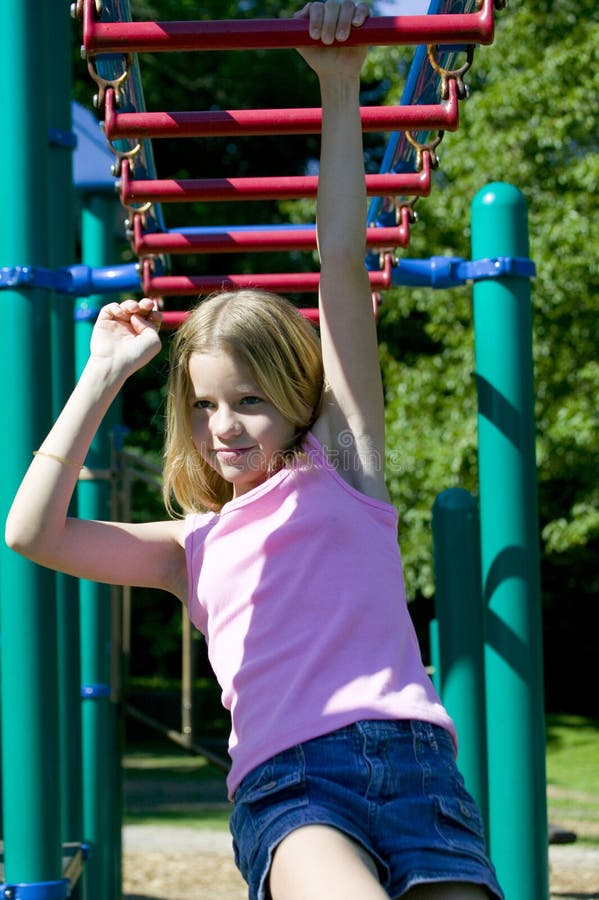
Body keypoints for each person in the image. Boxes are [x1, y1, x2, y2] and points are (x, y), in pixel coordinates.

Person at [5, 2, 504, 898]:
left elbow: (340, 264)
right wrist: (103, 374)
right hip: (293, 782)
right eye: (203, 406)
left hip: (418, 768)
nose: (223, 426)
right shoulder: (190, 546)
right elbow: (33, 533)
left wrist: (340, 88)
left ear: (300, 401)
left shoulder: (342, 467)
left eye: (250, 402)